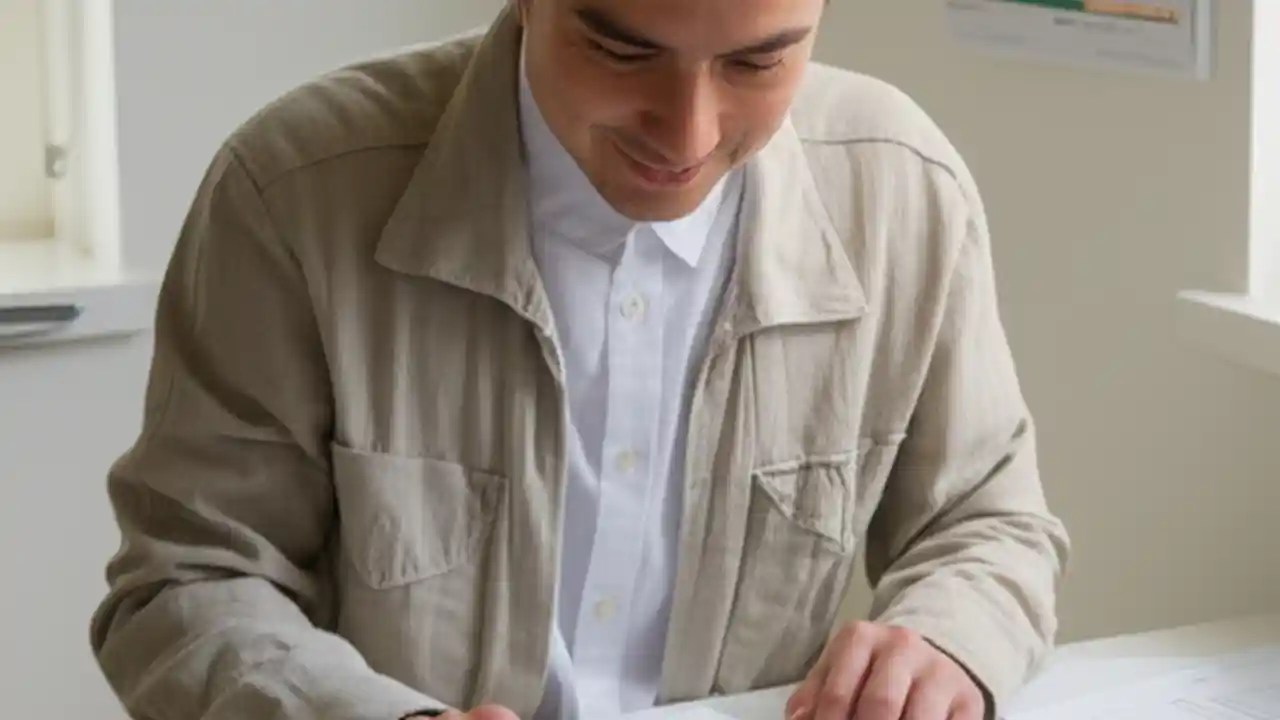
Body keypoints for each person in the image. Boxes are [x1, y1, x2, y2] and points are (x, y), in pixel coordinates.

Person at [90, 1, 1070, 719]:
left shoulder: (903, 192)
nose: (687, 133)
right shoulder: (293, 192)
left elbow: (986, 523)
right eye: (620, 49)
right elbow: (186, 583)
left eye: (758, 63)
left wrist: (940, 640)